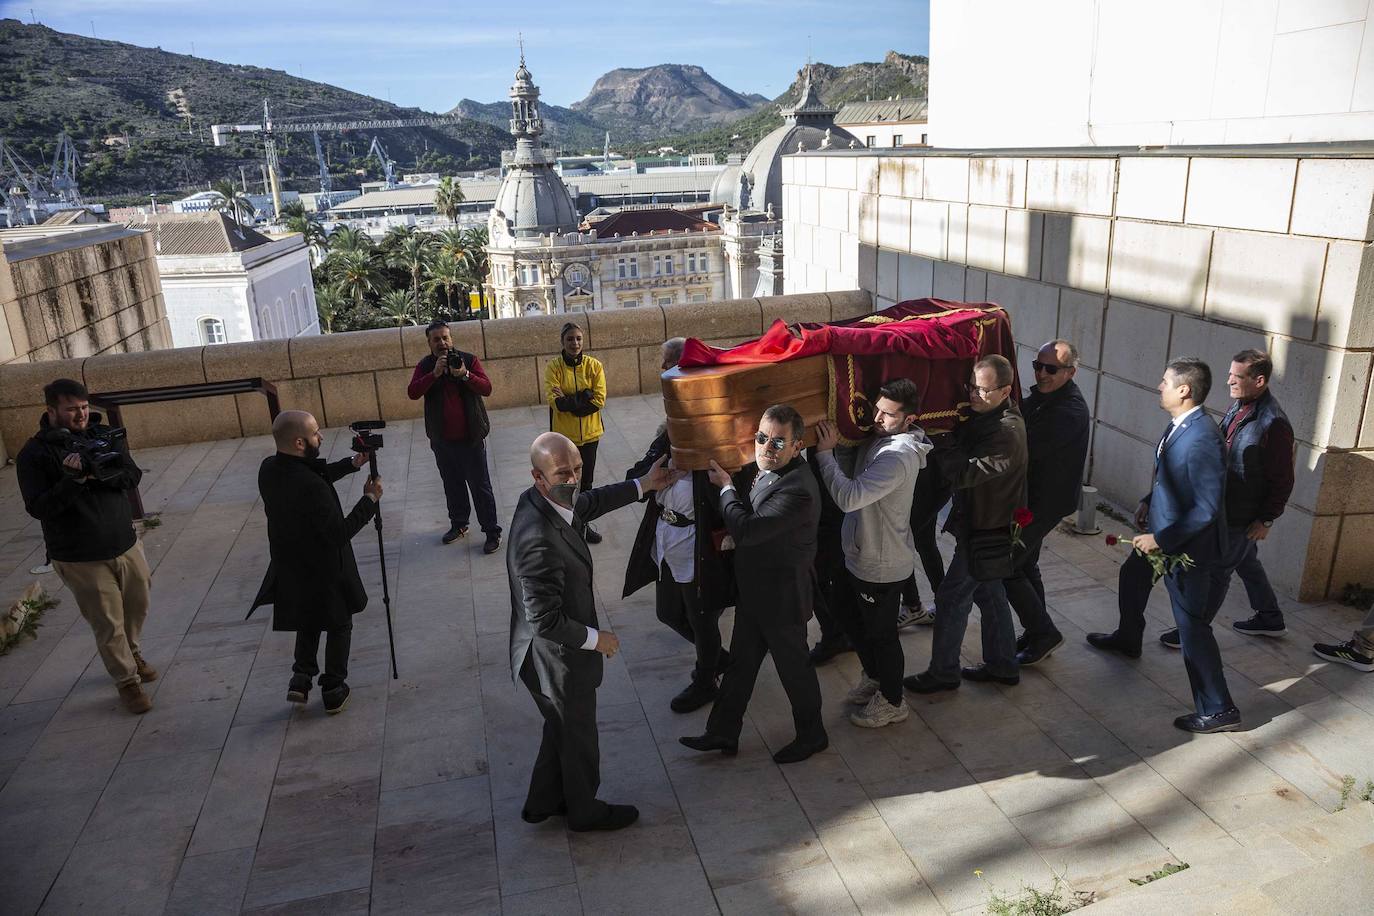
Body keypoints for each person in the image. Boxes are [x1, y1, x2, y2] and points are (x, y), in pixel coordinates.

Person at [508, 431, 679, 832]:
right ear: (538, 476)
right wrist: (596, 639)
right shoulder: (537, 538)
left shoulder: (548, 499)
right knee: (579, 735)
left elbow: (590, 502)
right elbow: (543, 619)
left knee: (561, 727)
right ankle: (584, 811)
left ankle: (542, 801)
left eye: (578, 468)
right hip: (555, 658)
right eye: (563, 473)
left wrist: (644, 484)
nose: (574, 479)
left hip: (549, 655)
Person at [1087, 359, 1238, 733]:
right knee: (1132, 576)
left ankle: (1219, 708)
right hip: (1163, 531)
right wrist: (1148, 500)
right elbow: (1174, 477)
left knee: (1192, 626)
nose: (1159, 386)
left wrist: (1161, 538)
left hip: (1186, 548)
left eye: (1166, 382)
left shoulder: (1202, 435)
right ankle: (1128, 637)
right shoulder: (1182, 426)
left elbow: (1205, 506)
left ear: (1184, 390)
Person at [681, 404, 828, 764]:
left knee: (794, 670)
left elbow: (747, 530)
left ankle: (813, 735)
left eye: (778, 442)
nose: (766, 448)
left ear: (797, 446)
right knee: (741, 666)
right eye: (762, 438)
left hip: (781, 599)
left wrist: (727, 489)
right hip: (755, 593)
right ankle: (722, 732)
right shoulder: (765, 470)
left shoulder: (798, 489)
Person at [17, 379, 154, 715]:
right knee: (107, 621)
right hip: (79, 554)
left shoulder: (103, 435)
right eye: (71, 409)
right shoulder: (34, 454)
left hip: (123, 541)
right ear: (51, 411)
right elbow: (38, 506)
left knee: (138, 604)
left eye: (83, 407)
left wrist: (101, 474)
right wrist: (72, 481)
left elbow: (132, 476)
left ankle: (131, 651)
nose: (80, 415)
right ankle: (127, 682)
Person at [905, 355, 1027, 694]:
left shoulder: (1007, 433)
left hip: (988, 529)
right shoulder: (988, 416)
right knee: (990, 594)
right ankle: (1003, 665)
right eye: (971, 387)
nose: (974, 395)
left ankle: (943, 672)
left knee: (951, 598)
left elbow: (965, 474)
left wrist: (941, 441)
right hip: (982, 524)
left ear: (1005, 391)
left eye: (983, 390)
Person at [813, 379, 931, 728]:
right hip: (861, 556)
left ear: (909, 420)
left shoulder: (897, 457)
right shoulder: (879, 441)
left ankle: (893, 701)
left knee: (882, 635)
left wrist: (823, 455)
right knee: (848, 616)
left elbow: (849, 497)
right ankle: (876, 679)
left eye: (888, 414)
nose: (878, 419)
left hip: (880, 565)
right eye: (876, 409)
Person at [623, 337, 733, 713]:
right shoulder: (667, 435)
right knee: (668, 612)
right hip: (666, 537)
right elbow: (634, 473)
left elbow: (732, 494)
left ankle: (707, 680)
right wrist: (659, 472)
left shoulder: (717, 441)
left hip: (696, 543)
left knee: (701, 617)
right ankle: (720, 659)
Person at [1158, 349, 1294, 648]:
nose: (1229, 381)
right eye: (1230, 374)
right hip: (1224, 506)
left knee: (1220, 570)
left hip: (1242, 514)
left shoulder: (1274, 423)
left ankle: (1192, 632)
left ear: (1259, 380)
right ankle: (1270, 617)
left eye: (1238, 376)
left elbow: (1283, 479)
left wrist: (1266, 518)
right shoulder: (1239, 406)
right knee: (1246, 561)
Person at [251, 411, 380, 715]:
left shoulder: (269, 469)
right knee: (339, 622)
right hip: (325, 568)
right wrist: (369, 501)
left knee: (308, 619)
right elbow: (339, 534)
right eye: (315, 434)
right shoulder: (313, 489)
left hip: (291, 566)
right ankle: (334, 688)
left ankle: (301, 678)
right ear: (299, 442)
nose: (321, 438)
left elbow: (309, 474)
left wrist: (351, 464)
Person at [1009, 340, 1091, 665]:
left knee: (1007, 564)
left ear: (1071, 372)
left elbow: (1027, 448)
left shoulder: (1068, 410)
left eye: (1051, 369)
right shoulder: (1046, 397)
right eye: (1038, 366)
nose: (1042, 373)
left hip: (1045, 502)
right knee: (1026, 563)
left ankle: (1043, 632)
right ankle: (1037, 632)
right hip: (1036, 496)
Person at [407, 319, 500, 553]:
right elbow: (412, 392)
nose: (442, 343)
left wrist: (465, 375)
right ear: (429, 342)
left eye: (445, 337)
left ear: (452, 338)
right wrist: (434, 374)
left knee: (481, 487)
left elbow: (487, 388)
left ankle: (491, 532)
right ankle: (459, 524)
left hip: (471, 437)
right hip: (442, 440)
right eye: (436, 339)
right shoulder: (426, 366)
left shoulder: (468, 360)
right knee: (452, 485)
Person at [545, 322, 607, 544]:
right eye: (570, 339)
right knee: (565, 484)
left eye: (578, 338)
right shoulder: (554, 367)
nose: (575, 343)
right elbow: (557, 404)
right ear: (562, 342)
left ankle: (583, 524)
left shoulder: (594, 366)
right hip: (565, 438)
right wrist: (584, 395)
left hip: (590, 436)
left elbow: (598, 401)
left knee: (587, 483)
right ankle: (565, 525)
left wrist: (572, 400)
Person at [806, 446, 854, 665]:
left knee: (817, 580)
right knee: (829, 579)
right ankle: (843, 633)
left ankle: (836, 635)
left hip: (829, 515)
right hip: (829, 513)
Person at [896, 462, 950, 628]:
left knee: (899, 541)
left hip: (933, 471)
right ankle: (942, 606)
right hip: (929, 473)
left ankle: (914, 605)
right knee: (923, 542)